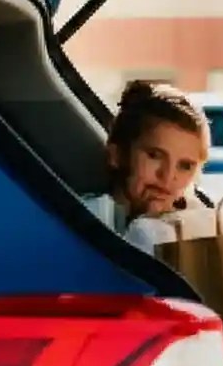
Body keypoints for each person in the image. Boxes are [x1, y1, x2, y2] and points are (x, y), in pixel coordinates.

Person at [86, 80, 212, 245]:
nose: (167, 176)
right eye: (154, 155)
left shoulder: (195, 228)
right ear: (117, 155)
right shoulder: (88, 218)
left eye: (185, 166)